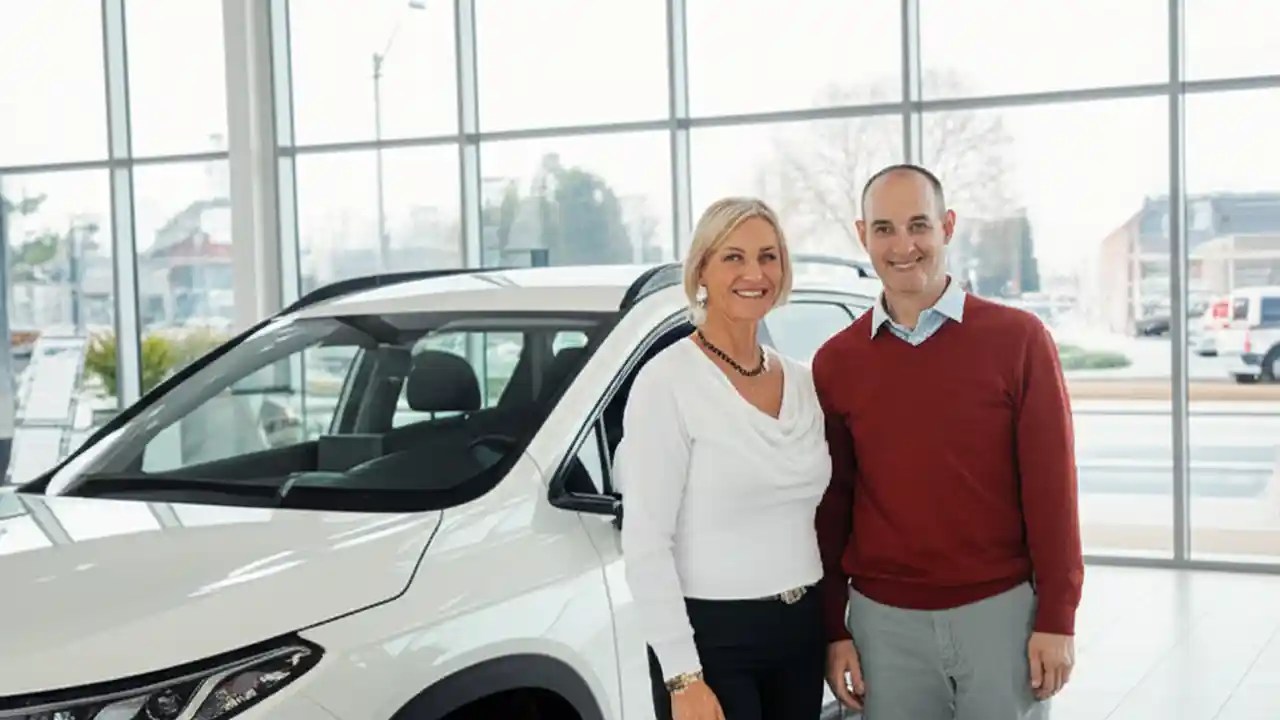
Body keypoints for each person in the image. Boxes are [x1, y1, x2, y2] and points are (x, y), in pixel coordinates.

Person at [812, 164, 1085, 719]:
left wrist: (1057, 617)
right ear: (863, 235)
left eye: (919, 225)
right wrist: (833, 628)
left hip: (1001, 616)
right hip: (882, 626)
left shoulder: (1018, 340)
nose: (903, 245)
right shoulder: (836, 363)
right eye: (885, 229)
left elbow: (1052, 490)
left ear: (948, 226)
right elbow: (831, 505)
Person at [614, 197, 832, 720]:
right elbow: (645, 541)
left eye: (768, 256)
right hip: (712, 643)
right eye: (733, 257)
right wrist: (682, 676)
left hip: (801, 633)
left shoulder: (803, 382)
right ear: (702, 270)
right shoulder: (667, 382)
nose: (754, 272)